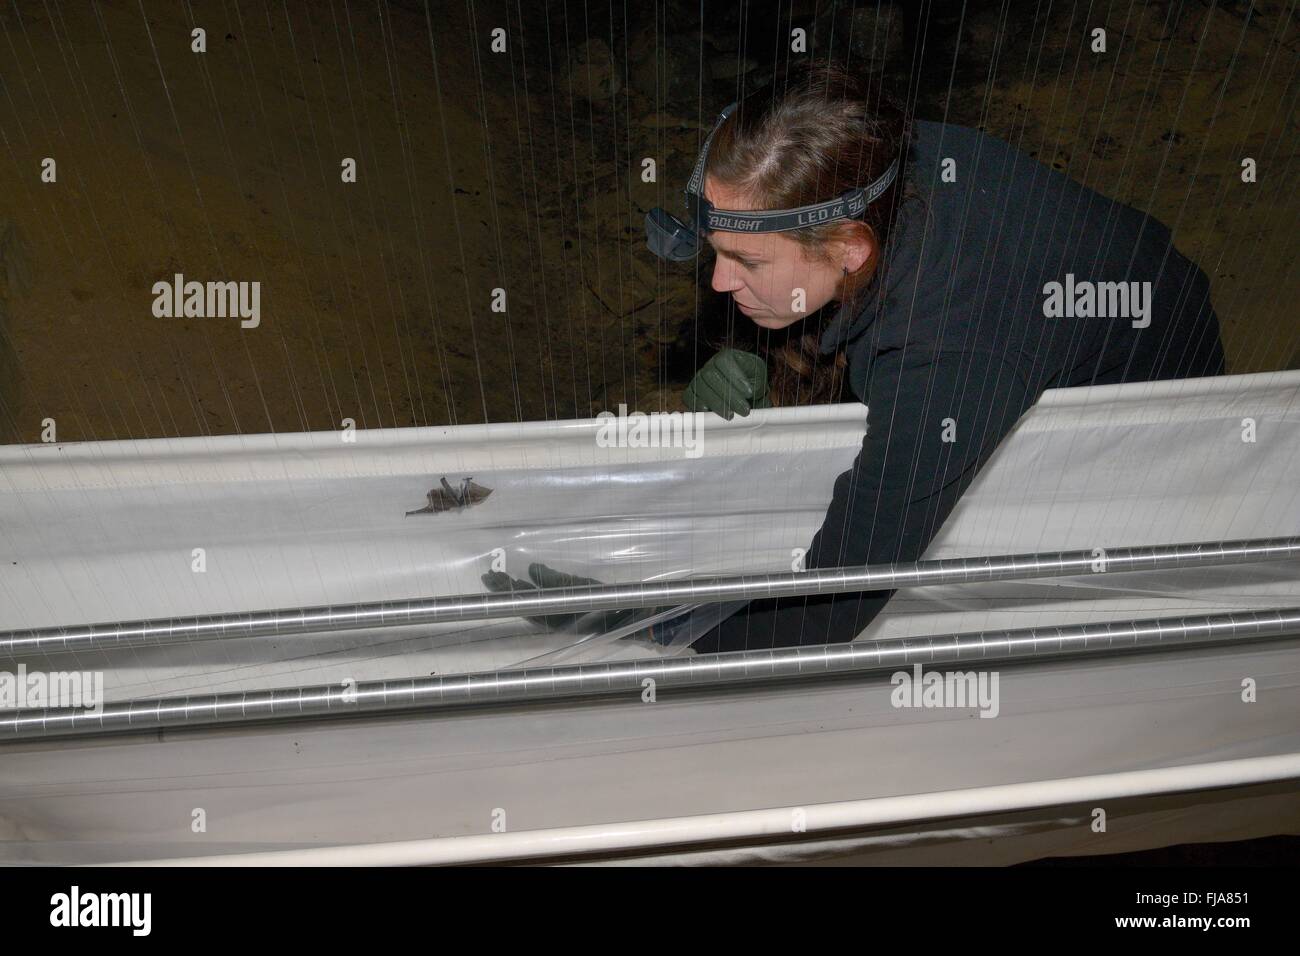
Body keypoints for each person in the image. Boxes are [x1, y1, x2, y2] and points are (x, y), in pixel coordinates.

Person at [488, 59, 1225, 654]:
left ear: (850, 248)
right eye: (716, 251)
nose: (715, 281)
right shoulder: (876, 159)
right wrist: (754, 342)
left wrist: (644, 625)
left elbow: (831, 605)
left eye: (743, 259)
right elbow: (819, 283)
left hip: (1147, 415)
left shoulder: (946, 357)